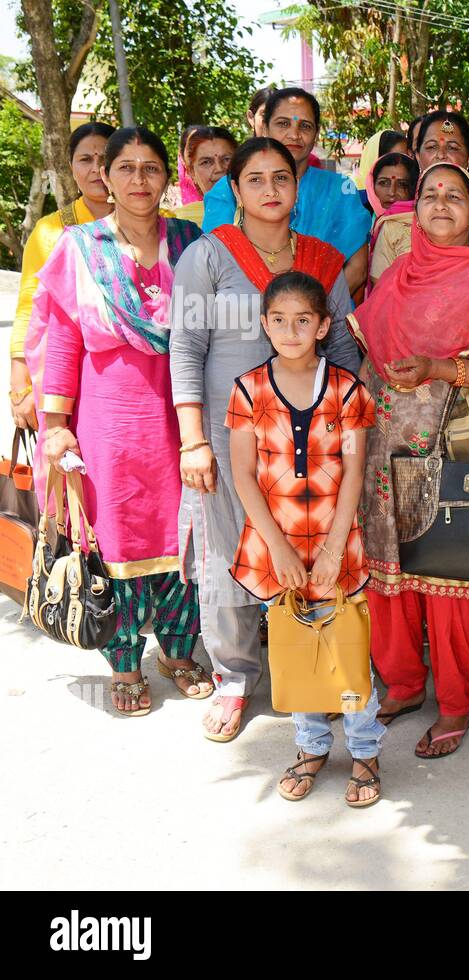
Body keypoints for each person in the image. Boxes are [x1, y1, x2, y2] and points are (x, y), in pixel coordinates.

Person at [171, 137, 361, 744]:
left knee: (310, 553)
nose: (270, 189)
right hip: (235, 440)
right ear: (234, 190)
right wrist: (194, 441)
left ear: (297, 186)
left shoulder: (323, 261)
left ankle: (314, 670)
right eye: (255, 179)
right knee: (232, 553)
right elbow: (186, 348)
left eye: (282, 177)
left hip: (312, 441)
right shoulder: (207, 258)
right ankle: (234, 676)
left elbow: (346, 353)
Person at [348, 161, 469, 757]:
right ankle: (401, 684)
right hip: (385, 441)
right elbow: (371, 349)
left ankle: (455, 705)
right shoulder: (397, 273)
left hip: (456, 442)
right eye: (431, 194)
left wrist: (436, 368)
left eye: (457, 196)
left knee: (454, 574)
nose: (442, 203)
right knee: (389, 572)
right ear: (414, 208)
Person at [30, 126, 209, 716]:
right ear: (104, 176)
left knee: (184, 539)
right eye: (125, 168)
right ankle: (125, 663)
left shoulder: (190, 242)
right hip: (111, 421)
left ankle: (179, 653)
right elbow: (62, 341)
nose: (139, 179)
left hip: (181, 414)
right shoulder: (80, 247)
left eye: (151, 167)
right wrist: (57, 425)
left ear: (166, 175)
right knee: (119, 545)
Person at [226, 270, 383, 807]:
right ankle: (311, 745)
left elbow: (355, 471)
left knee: (346, 644)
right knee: (297, 644)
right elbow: (243, 474)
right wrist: (277, 548)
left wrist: (337, 545)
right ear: (264, 323)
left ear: (323, 326)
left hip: (338, 541)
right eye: (279, 320)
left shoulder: (347, 389)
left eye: (303, 321)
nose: (290, 330)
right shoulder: (248, 389)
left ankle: (365, 748)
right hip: (278, 545)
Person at [204, 88, 371, 294]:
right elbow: (218, 263)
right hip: (244, 315)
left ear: (316, 134)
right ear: (264, 127)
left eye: (305, 126)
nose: (294, 134)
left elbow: (357, 269)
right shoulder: (228, 189)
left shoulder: (340, 189)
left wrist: (309, 313)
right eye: (283, 123)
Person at [10, 121, 115, 431]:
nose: (97, 169)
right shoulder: (50, 232)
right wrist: (20, 383)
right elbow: (29, 307)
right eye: (86, 160)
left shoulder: (156, 226)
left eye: (106, 158)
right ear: (71, 168)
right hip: (66, 375)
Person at [369, 110, 469, 288]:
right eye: (432, 147)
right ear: (417, 156)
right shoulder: (393, 224)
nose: (441, 155)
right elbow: (385, 298)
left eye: (453, 147)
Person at [171, 126, 237, 226]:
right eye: (206, 162)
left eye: (227, 159)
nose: (219, 169)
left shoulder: (259, 214)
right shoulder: (180, 224)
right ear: (192, 172)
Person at [353, 129, 410, 197]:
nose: (401, 166)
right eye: (392, 161)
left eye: (406, 160)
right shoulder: (349, 194)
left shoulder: (412, 193)